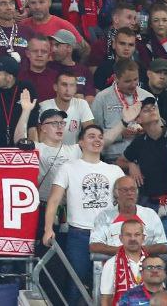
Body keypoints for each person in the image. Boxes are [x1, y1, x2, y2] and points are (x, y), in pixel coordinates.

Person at [43, 126, 126, 300]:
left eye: (100, 137)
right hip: (79, 234)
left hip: (108, 235)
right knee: (75, 285)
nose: (97, 140)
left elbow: (126, 203)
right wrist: (48, 228)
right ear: (80, 142)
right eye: (91, 136)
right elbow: (54, 200)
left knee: (110, 285)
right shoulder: (68, 167)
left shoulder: (115, 171)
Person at [98, 219, 150, 306]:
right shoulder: (111, 264)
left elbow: (159, 292)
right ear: (121, 238)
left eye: (137, 235)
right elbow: (105, 299)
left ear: (143, 238)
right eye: (128, 235)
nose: (133, 238)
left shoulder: (153, 263)